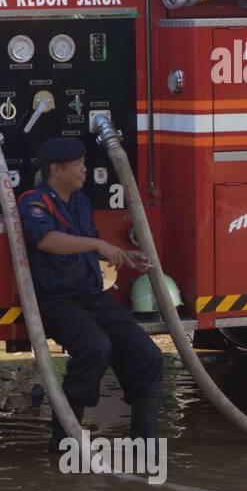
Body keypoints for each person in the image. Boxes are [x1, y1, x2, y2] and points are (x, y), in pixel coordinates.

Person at [17, 136, 163, 451]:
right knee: (95, 348)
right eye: (78, 164)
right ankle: (64, 441)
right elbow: (48, 241)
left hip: (92, 297)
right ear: (56, 169)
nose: (85, 169)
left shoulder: (79, 201)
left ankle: (145, 446)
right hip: (56, 302)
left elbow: (83, 247)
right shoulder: (34, 202)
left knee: (147, 355)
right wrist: (99, 245)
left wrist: (122, 254)